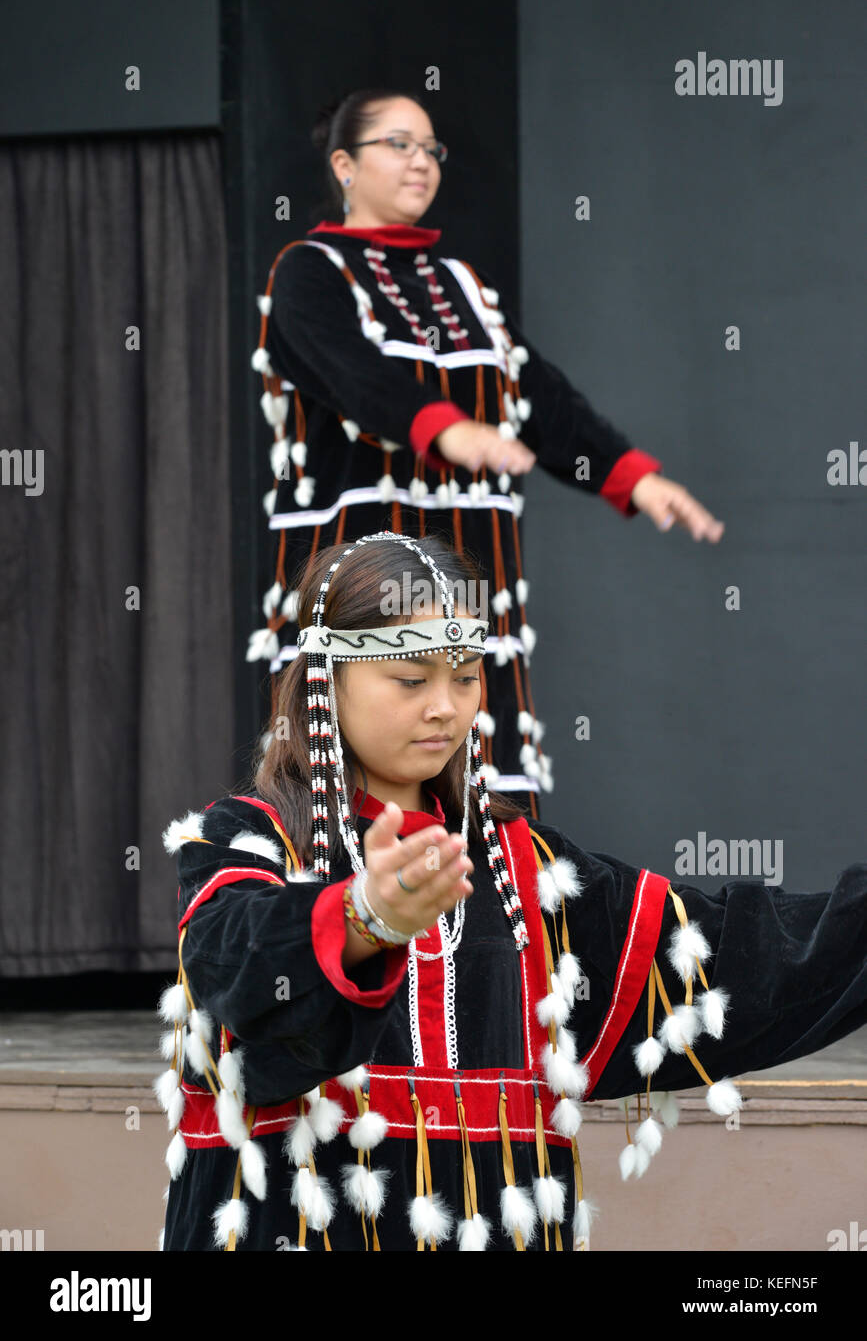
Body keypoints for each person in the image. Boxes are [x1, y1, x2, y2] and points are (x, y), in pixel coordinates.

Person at [159, 532, 866, 1252]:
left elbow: (743, 959)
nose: (445, 707)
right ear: (324, 679)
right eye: (411, 679)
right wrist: (363, 919)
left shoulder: (523, 865)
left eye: (464, 676)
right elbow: (237, 970)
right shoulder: (248, 841)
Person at [247, 87, 726, 819]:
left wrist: (633, 477)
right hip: (362, 560)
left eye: (431, 149)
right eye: (398, 145)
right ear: (344, 163)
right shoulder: (307, 271)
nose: (421, 162)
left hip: (468, 563)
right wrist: (443, 427)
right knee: (372, 737)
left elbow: (540, 398)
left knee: (471, 742)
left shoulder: (463, 285)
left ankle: (487, 920)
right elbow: (352, 373)